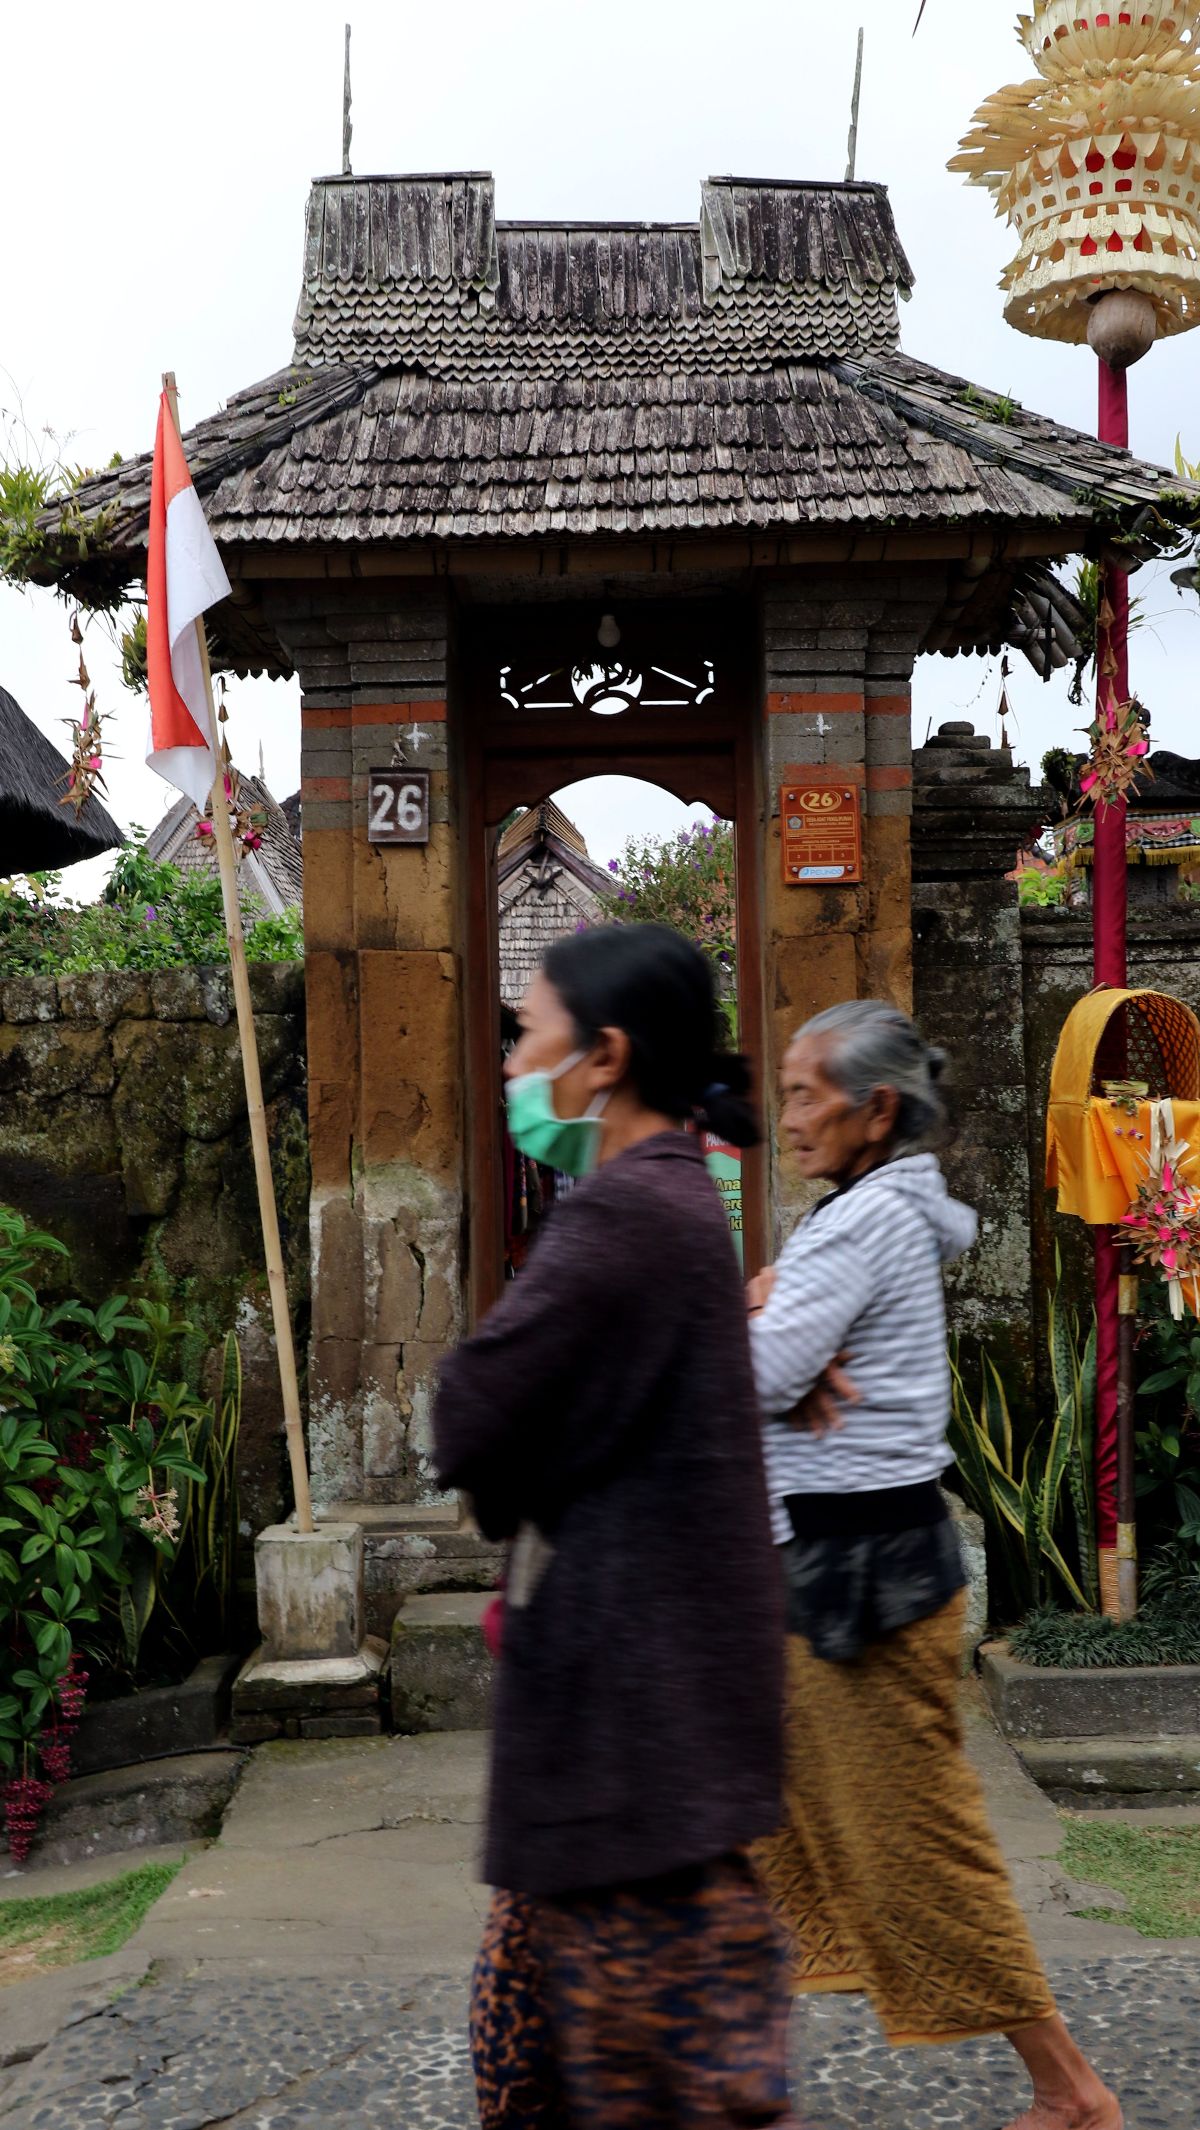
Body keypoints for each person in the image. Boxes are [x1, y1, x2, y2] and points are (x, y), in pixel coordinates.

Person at [433, 923, 798, 2130]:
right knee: (522, 2057)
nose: (510, 1062)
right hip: (634, 1730)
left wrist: (520, 1463)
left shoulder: (625, 1217)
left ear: (604, 1056)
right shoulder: (666, 1199)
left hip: (633, 1747)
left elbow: (475, 1409)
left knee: (669, 2092)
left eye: (528, 1034)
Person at [746, 1001, 1122, 2130]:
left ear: (876, 1110)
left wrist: (734, 1307)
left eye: (810, 1093)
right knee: (767, 1826)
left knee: (913, 1843)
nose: (790, 1115)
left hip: (861, 1575)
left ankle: (1073, 2093)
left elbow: (759, 1373)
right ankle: (728, 2073)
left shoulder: (867, 1227)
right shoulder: (859, 1212)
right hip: (824, 1562)